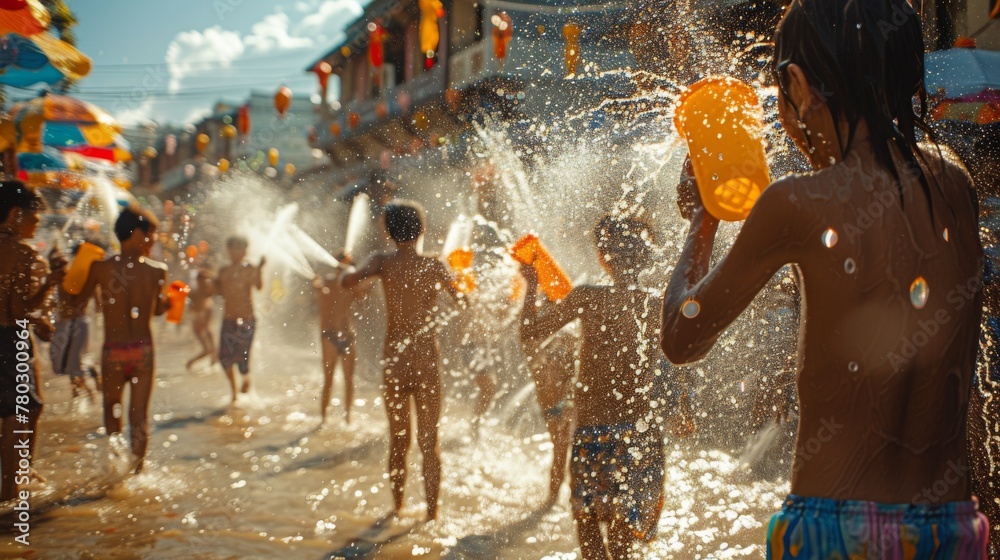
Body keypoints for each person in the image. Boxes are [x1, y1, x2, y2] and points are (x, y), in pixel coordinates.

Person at [661, 0, 990, 556]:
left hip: (834, 530)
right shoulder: (954, 187)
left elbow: (681, 336)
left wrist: (704, 216)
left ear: (797, 83)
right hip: (949, 527)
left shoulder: (797, 203)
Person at [519, 214, 665, 560]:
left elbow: (529, 334)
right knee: (624, 541)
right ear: (645, 256)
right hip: (639, 432)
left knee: (588, 525)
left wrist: (529, 287)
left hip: (593, 431)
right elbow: (680, 358)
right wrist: (684, 403)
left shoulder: (586, 298)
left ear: (602, 256)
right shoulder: (657, 303)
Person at [341, 200, 461, 521]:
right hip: (425, 362)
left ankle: (397, 510)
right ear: (422, 229)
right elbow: (464, 301)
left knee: (398, 441)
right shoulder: (435, 266)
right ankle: (432, 516)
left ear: (388, 231)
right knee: (429, 444)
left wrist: (347, 270)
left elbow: (348, 281)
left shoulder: (382, 262)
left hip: (395, 362)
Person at [74, 206, 168, 474]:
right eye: (152, 235)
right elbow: (159, 310)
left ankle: (115, 472)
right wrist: (168, 302)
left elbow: (78, 301)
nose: (154, 241)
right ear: (137, 234)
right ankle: (137, 474)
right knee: (139, 417)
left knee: (112, 411)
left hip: (112, 352)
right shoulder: (158, 270)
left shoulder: (101, 268)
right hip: (143, 352)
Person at [0, 182, 64, 501]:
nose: (37, 224)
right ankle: (11, 491)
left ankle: (18, 471)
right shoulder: (24, 254)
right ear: (14, 215)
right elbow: (18, 309)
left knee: (19, 407)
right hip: (10, 338)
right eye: (34, 219)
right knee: (20, 409)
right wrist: (50, 284)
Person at [314, 253, 367, 424]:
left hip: (348, 335)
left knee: (348, 380)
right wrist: (316, 287)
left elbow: (362, 298)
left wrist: (357, 281)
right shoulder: (326, 283)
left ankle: (348, 417)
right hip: (329, 335)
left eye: (346, 263)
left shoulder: (352, 285)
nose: (341, 266)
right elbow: (321, 300)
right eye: (339, 263)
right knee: (328, 379)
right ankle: (323, 420)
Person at [216, 236, 264, 403]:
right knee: (224, 358)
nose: (236, 252)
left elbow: (258, 286)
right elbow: (218, 292)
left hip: (247, 319)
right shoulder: (223, 271)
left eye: (240, 248)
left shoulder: (249, 268)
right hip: (228, 319)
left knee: (242, 358)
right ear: (228, 251)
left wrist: (260, 269)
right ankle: (234, 392)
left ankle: (245, 378)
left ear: (245, 251)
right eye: (233, 248)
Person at [51, 243, 101, 402]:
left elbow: (99, 305)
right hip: (67, 325)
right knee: (64, 367)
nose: (58, 268)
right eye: (54, 265)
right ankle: (87, 382)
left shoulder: (77, 278)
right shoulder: (58, 280)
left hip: (76, 324)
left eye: (61, 264)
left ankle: (88, 396)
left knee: (72, 367)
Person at [185, 267, 218, 370]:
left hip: (206, 326)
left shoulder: (207, 291)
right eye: (201, 280)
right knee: (208, 350)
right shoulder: (195, 293)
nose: (204, 283)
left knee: (213, 351)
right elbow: (190, 309)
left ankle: (211, 366)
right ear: (198, 281)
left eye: (205, 280)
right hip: (200, 326)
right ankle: (190, 363)